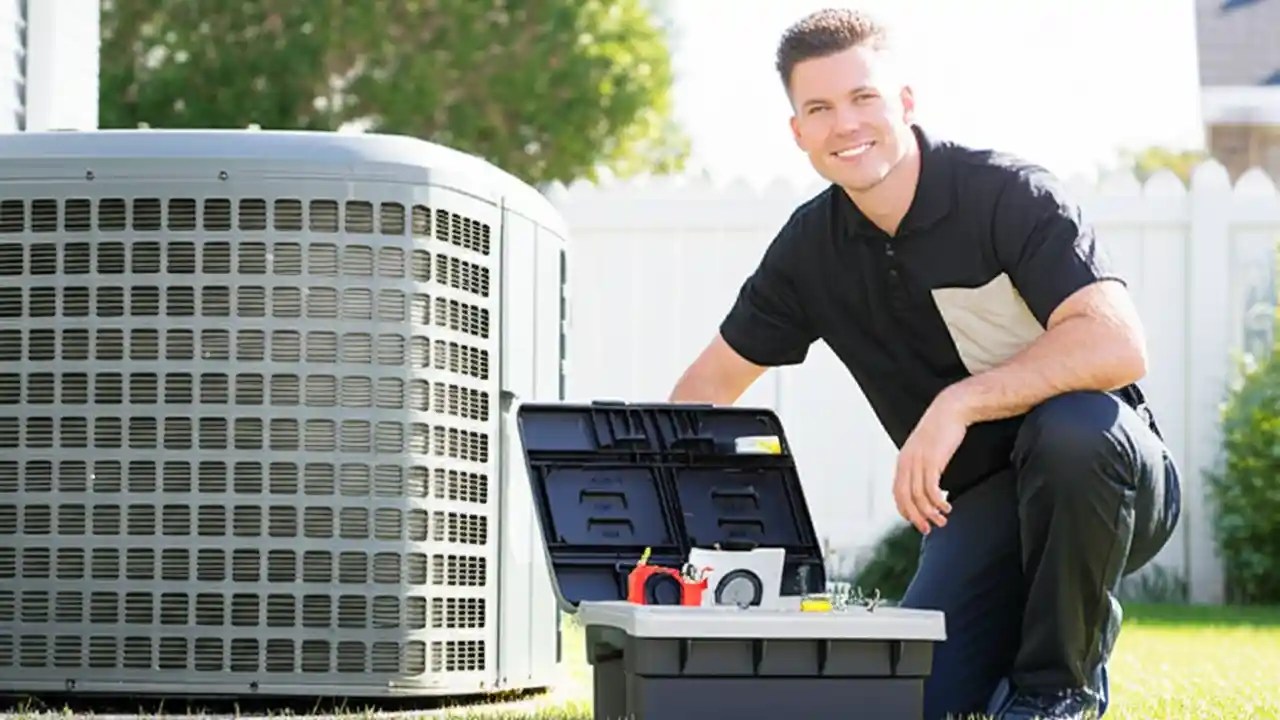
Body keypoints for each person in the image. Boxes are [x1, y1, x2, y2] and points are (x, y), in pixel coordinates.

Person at [667, 8, 1182, 720]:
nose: (845, 124)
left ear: (904, 102)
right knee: (909, 701)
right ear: (798, 132)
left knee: (1071, 429)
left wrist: (958, 403)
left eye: (863, 97)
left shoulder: (1006, 195)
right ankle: (1028, 647)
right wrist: (654, 526)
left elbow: (1116, 343)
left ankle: (1055, 691)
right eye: (819, 108)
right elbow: (705, 390)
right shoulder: (809, 251)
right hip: (979, 507)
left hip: (1104, 480)